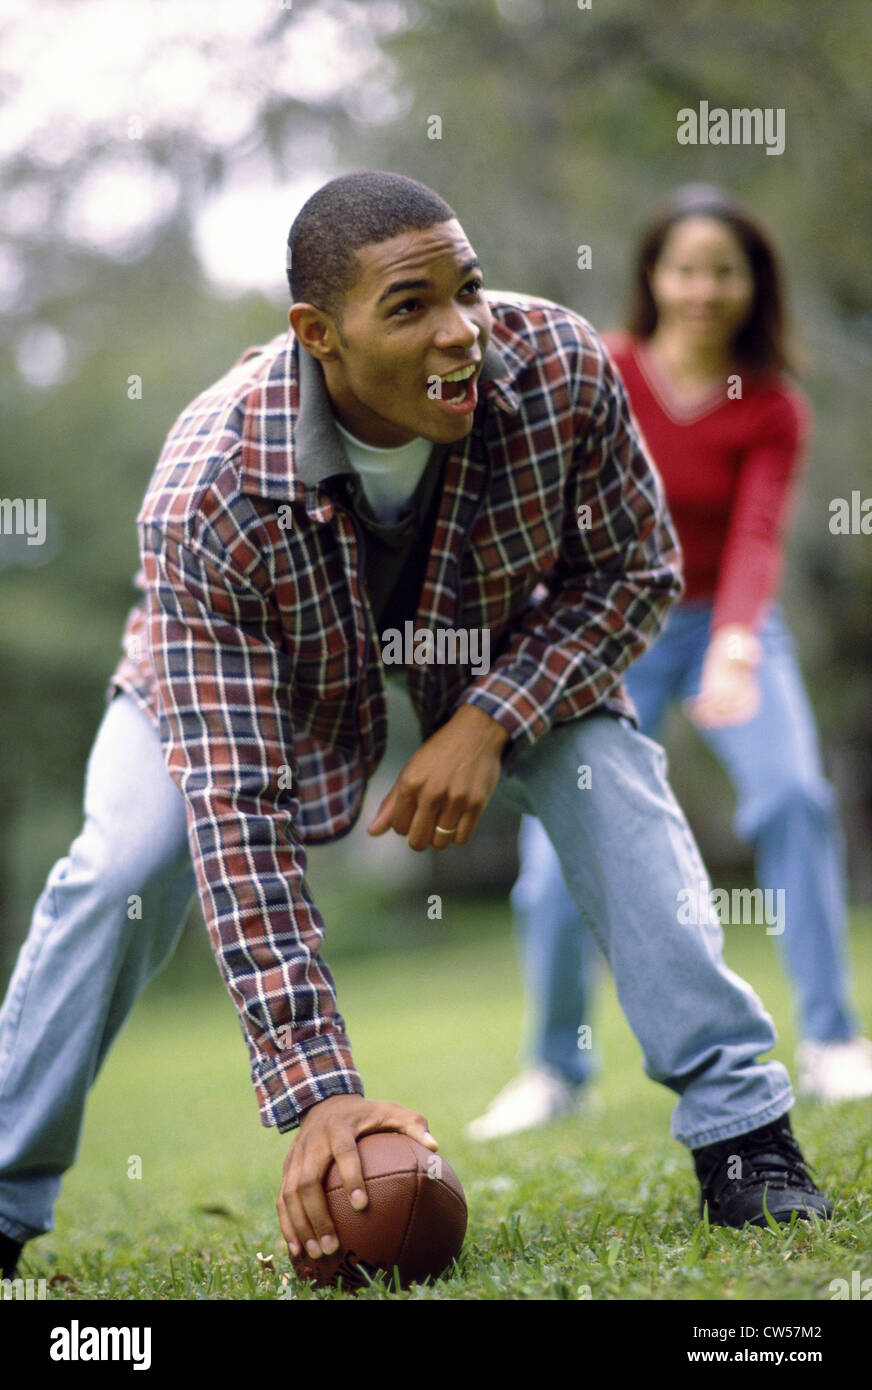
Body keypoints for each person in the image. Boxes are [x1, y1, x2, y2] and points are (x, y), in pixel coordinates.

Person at [0, 172, 832, 1283]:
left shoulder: (560, 368)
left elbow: (635, 572)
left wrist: (489, 718)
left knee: (609, 781)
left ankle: (744, 1135)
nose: (461, 333)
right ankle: (5, 1195)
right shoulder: (208, 496)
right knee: (122, 869)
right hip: (254, 682)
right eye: (408, 306)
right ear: (316, 335)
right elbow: (238, 812)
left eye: (468, 289)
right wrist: (320, 1089)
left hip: (497, 648)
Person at [468, 184, 872, 1143]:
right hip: (609, 627)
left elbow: (757, 540)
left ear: (751, 286)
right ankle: (555, 1066)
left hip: (727, 625)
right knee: (550, 868)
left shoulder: (769, 405)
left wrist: (733, 648)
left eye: (724, 271)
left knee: (795, 800)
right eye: (686, 268)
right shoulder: (606, 370)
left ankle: (833, 1040)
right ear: (654, 276)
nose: (703, 288)